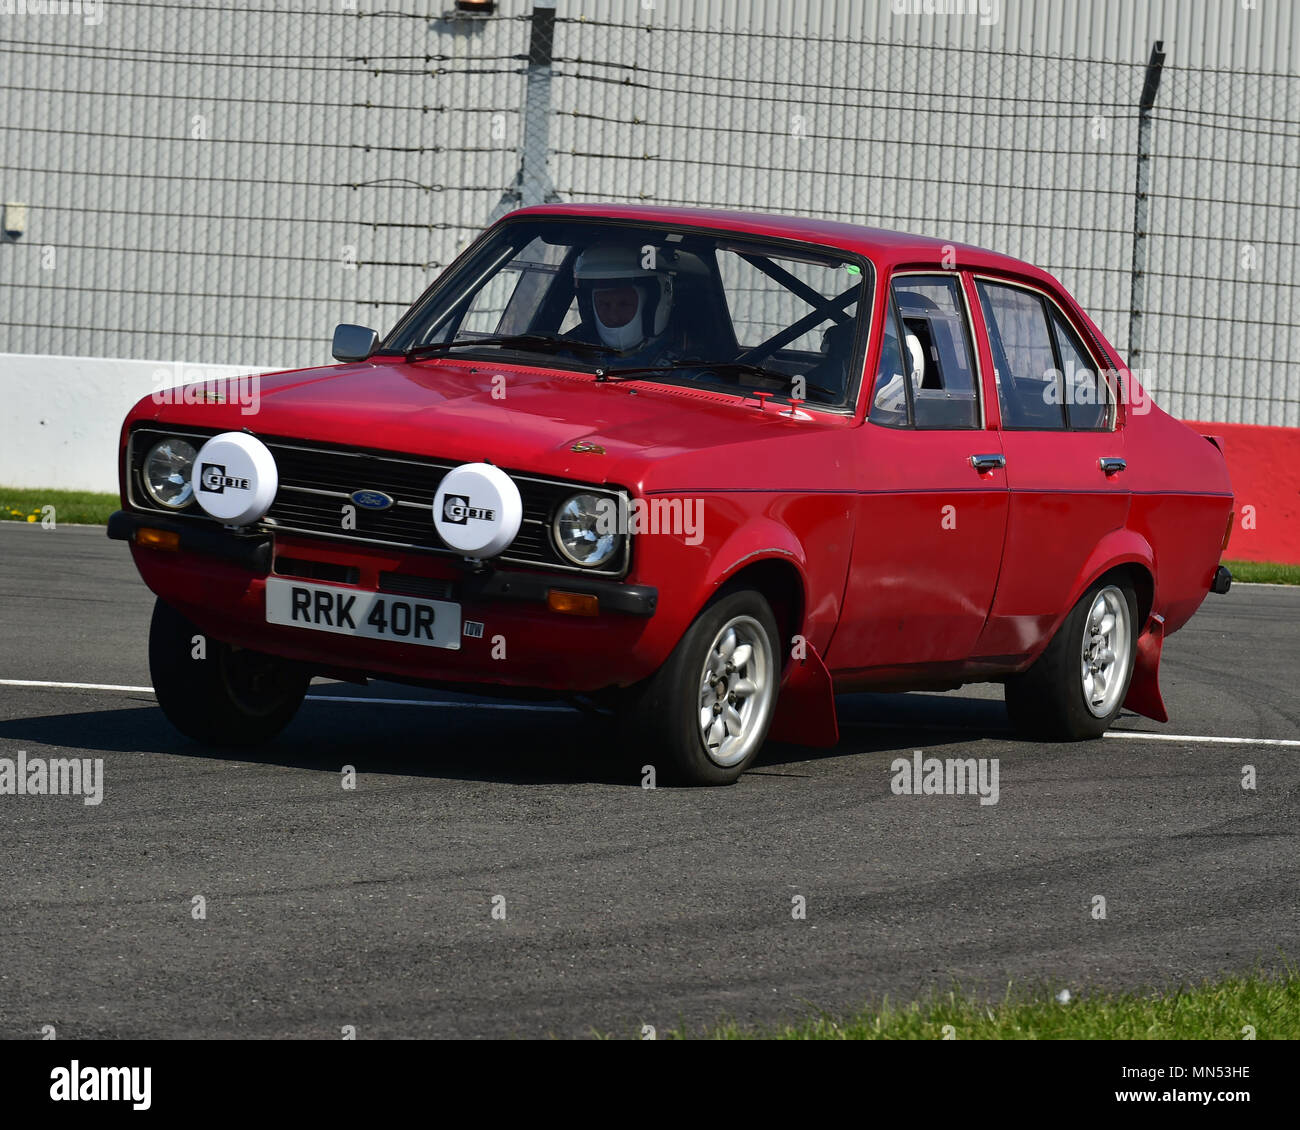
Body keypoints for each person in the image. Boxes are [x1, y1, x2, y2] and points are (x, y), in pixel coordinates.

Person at [568, 244, 687, 367]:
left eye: (623, 304)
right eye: (604, 304)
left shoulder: (690, 370)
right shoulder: (566, 353)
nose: (613, 317)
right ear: (590, 306)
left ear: (653, 306)